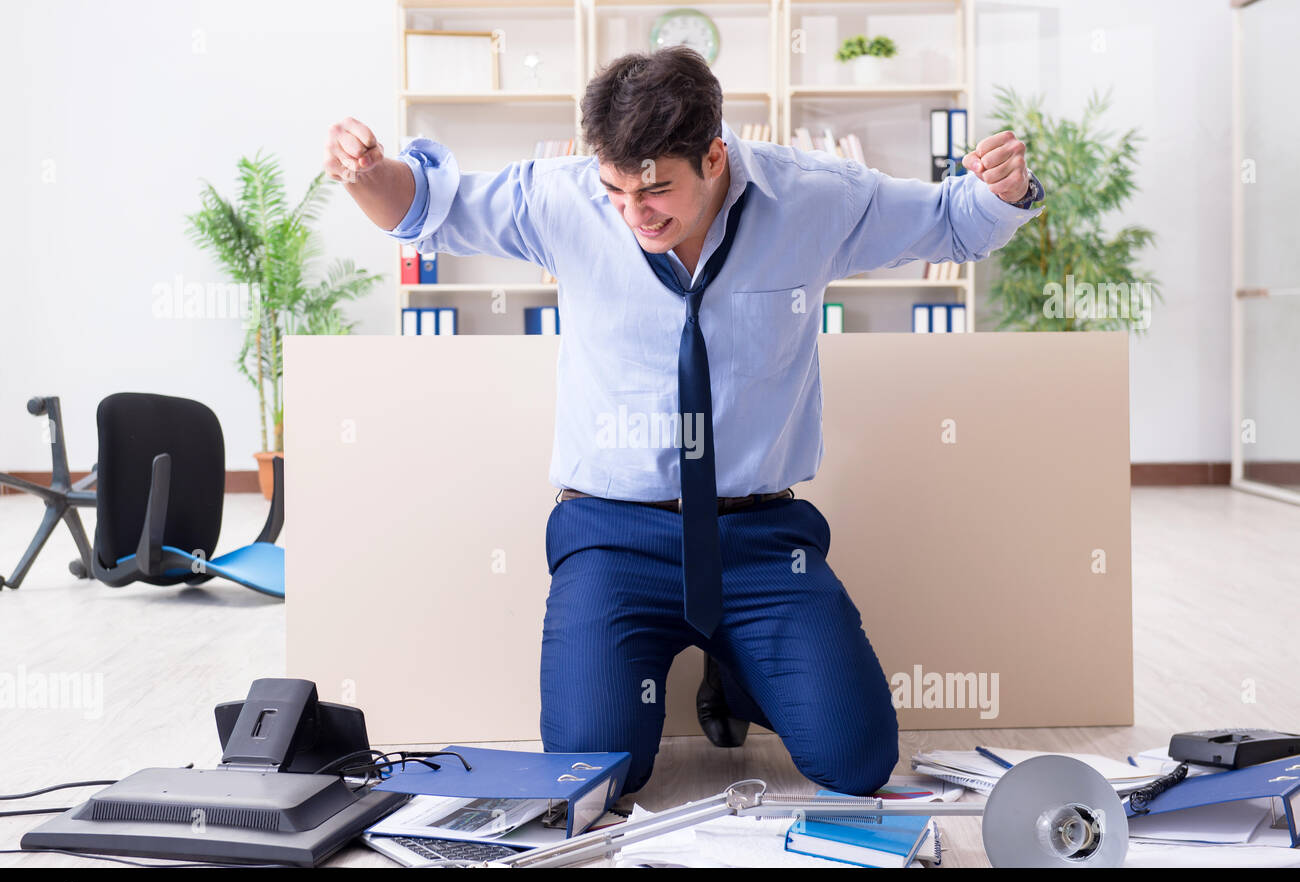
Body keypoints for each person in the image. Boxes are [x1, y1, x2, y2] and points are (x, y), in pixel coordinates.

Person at [324, 46, 1044, 799]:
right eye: (615, 190)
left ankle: (738, 674)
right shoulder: (561, 198)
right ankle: (701, 661)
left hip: (761, 541)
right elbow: (424, 210)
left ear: (713, 154)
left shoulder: (815, 199)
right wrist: (368, 173)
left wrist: (1005, 188)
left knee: (856, 760)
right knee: (595, 775)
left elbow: (954, 225)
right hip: (612, 534)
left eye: (657, 190)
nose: (635, 214)